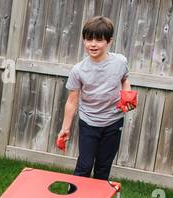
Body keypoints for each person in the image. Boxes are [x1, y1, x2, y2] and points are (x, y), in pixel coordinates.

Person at [56, 15, 134, 180]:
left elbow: (125, 78)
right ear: (83, 40)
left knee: (103, 168)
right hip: (89, 122)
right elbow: (72, 100)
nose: (93, 44)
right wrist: (65, 128)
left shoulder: (120, 62)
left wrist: (127, 95)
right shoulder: (78, 70)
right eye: (88, 39)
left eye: (99, 40)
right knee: (84, 166)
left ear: (109, 41)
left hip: (114, 121)